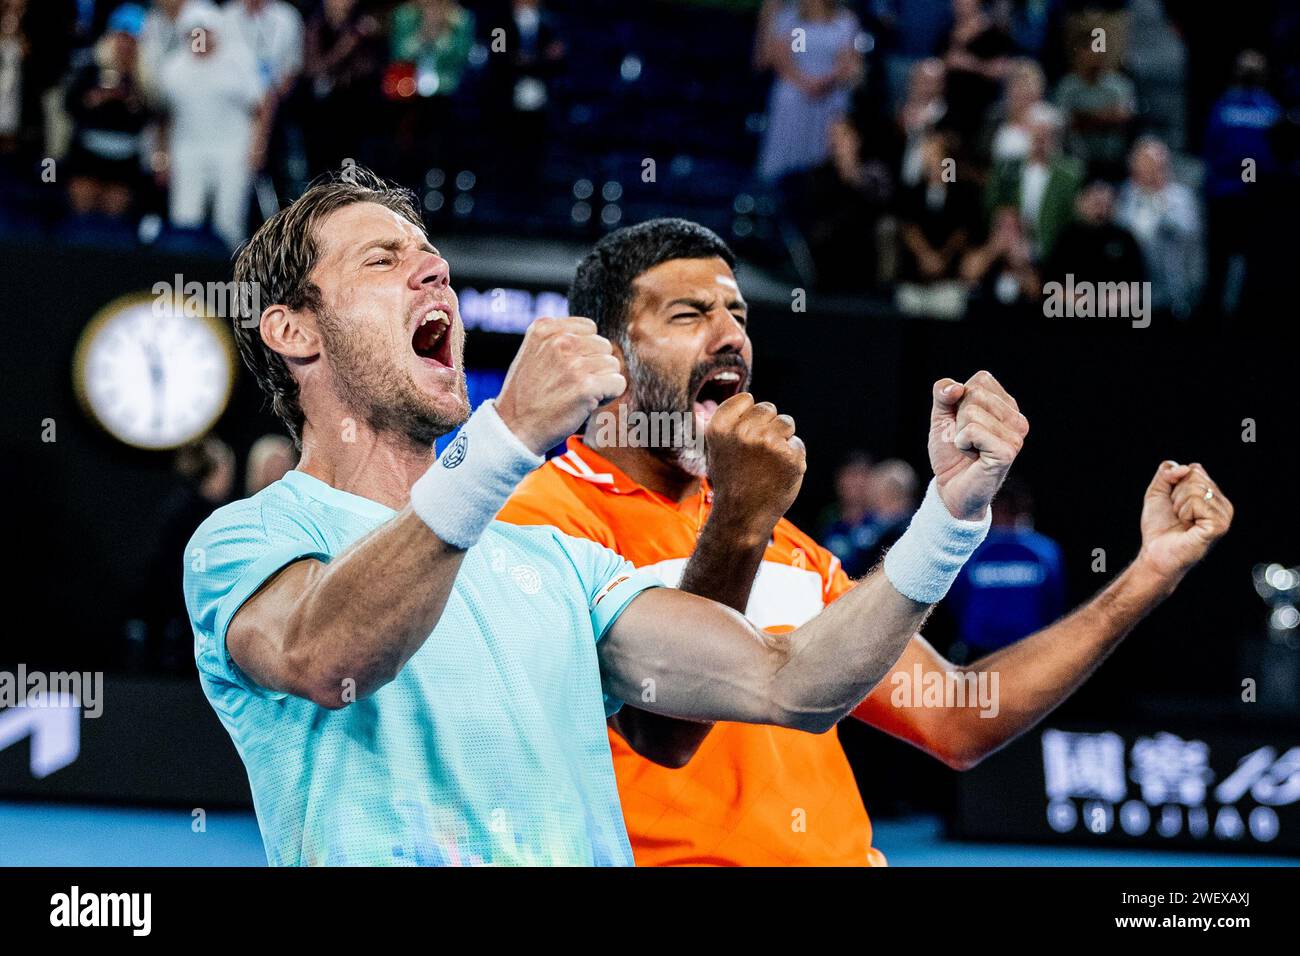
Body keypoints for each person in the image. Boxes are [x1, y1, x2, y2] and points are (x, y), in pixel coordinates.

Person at [183, 169, 1026, 866]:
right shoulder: (248, 540)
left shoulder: (556, 561)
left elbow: (790, 682)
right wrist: (505, 434)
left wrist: (946, 518)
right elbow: (330, 658)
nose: (431, 271)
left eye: (433, 259)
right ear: (293, 329)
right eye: (383, 259)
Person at [498, 216, 1232, 866]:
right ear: (606, 357)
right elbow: (667, 729)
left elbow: (956, 714)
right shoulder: (539, 520)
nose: (731, 335)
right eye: (690, 313)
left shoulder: (788, 542)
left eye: (739, 313)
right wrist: (743, 521)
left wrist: (1149, 574)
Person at [157, 5, 267, 249]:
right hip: (188, 147)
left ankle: (230, 275)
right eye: (193, 32)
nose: (200, 38)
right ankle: (183, 273)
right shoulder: (173, 68)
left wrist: (257, 148)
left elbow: (260, 107)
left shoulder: (238, 61)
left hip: (233, 147)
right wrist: (162, 156)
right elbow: (165, 116)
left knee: (228, 219)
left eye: (204, 32)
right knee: (184, 215)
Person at [946, 478, 1065, 658]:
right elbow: (1055, 602)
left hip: (989, 651)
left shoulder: (971, 550)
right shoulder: (1046, 549)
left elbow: (956, 598)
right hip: (1018, 649)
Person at [755, 0, 864, 184]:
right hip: (795, 87)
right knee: (788, 98)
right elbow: (781, 56)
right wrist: (804, 81)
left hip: (830, 91)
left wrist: (824, 81)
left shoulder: (846, 21)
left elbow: (848, 60)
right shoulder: (792, 19)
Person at [1115, 135, 1203, 319]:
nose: (1151, 170)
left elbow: (1187, 233)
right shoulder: (1123, 193)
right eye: (1145, 163)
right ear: (1134, 166)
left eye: (1156, 164)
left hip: (1170, 289)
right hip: (1131, 290)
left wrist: (1161, 201)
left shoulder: (1181, 197)